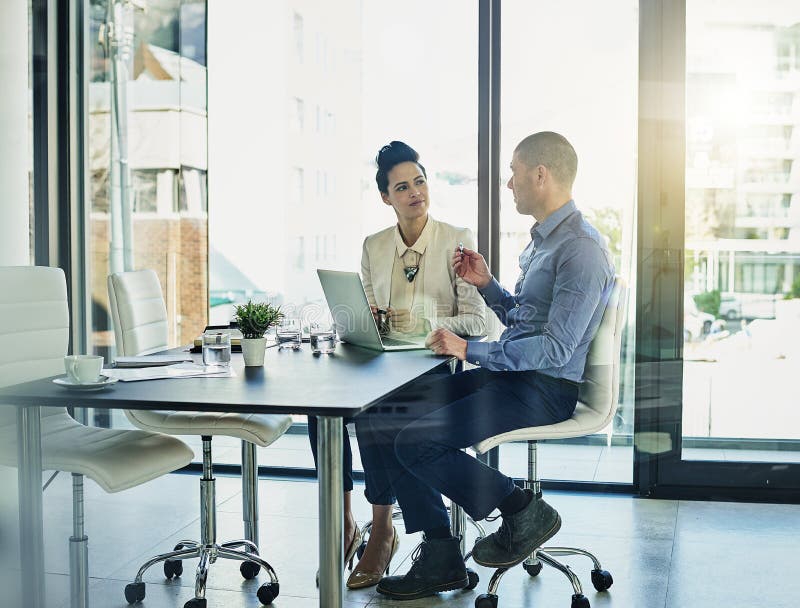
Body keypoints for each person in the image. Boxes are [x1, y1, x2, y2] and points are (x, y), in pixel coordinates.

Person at [354, 131, 615, 600]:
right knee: (380, 414)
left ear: (541, 175)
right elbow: (526, 322)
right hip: (511, 377)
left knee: (416, 440)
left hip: (544, 389)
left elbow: (555, 350)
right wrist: (489, 286)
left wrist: (468, 349)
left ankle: (521, 508)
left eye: (514, 173)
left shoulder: (582, 249)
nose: (509, 184)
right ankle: (442, 556)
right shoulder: (544, 242)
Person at [307, 140, 486, 589]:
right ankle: (344, 521)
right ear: (386, 197)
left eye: (419, 182)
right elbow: (367, 315)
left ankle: (382, 529)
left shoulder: (456, 240)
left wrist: (426, 323)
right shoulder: (374, 246)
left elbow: (478, 322)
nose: (414, 192)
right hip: (384, 364)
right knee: (319, 405)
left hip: (435, 371)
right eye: (402, 187)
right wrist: (371, 321)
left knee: (378, 410)